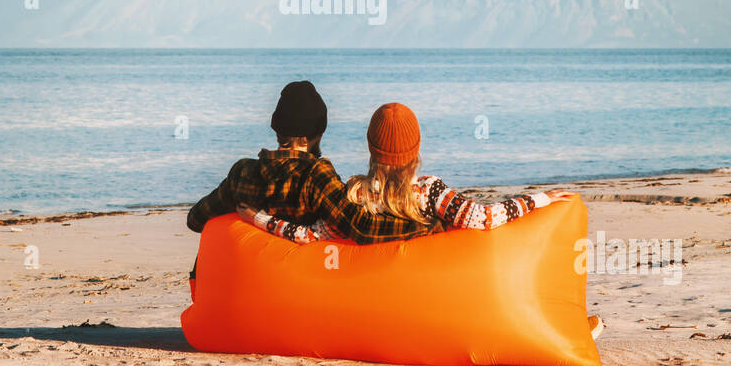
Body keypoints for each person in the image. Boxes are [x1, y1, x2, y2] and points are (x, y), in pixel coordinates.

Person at [239, 102, 564, 244]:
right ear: (416, 150)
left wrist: (259, 219)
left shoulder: (353, 195)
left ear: (371, 148)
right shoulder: (428, 192)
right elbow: (483, 218)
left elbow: (309, 236)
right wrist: (537, 199)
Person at [187, 82, 436, 249]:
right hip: (306, 289)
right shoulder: (317, 175)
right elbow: (362, 228)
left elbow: (196, 219)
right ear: (314, 135)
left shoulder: (243, 173)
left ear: (277, 130)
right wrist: (428, 226)